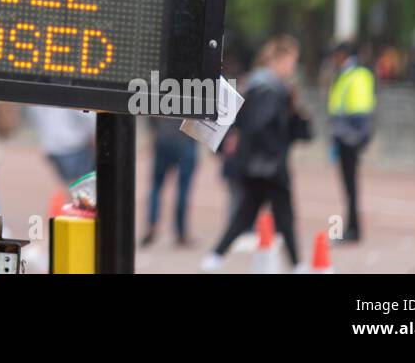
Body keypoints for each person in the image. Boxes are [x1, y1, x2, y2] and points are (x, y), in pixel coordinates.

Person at [202, 36, 312, 271]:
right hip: (269, 167)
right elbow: (266, 127)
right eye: (292, 60)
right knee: (283, 218)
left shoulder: (255, 84)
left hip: (255, 165)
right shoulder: (271, 88)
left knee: (245, 216)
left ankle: (215, 257)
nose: (293, 66)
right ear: (280, 59)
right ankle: (297, 265)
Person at [328, 40, 376, 243]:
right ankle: (352, 228)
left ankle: (352, 230)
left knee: (350, 188)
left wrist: (352, 137)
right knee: (349, 188)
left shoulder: (354, 75)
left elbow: (360, 109)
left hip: (348, 138)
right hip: (346, 136)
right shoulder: (351, 74)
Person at [142, 117, 199, 248]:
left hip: (163, 137)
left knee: (156, 186)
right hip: (186, 138)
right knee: (183, 189)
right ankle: (181, 232)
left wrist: (154, 132)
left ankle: (152, 225)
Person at [27, 106, 95, 185]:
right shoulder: (68, 97)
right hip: (74, 145)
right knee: (82, 184)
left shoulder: (38, 101)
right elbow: (86, 116)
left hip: (51, 147)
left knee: (70, 184)